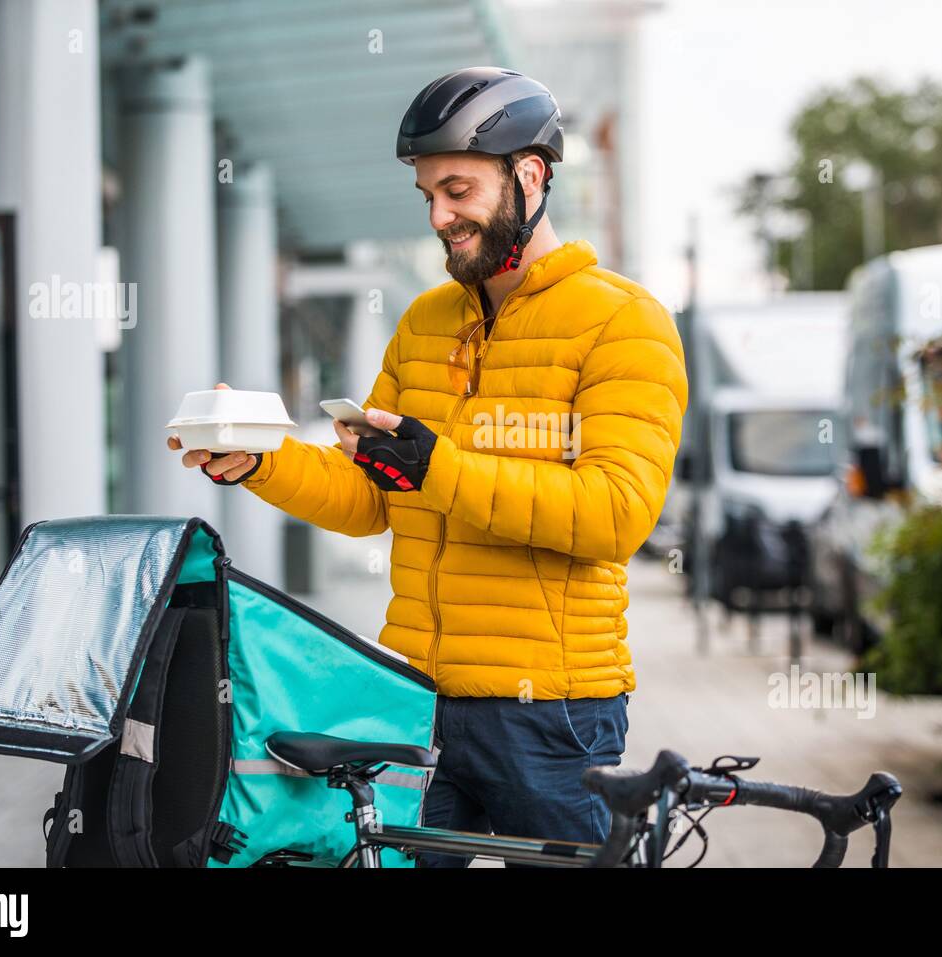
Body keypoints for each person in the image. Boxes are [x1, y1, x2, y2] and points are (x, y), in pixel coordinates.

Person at [168, 67, 689, 866]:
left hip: (550, 715)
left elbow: (613, 516)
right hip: (414, 697)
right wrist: (262, 460)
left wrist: (436, 467)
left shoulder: (624, 323)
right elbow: (371, 500)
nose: (442, 218)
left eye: (457, 190)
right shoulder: (425, 319)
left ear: (530, 174)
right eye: (428, 198)